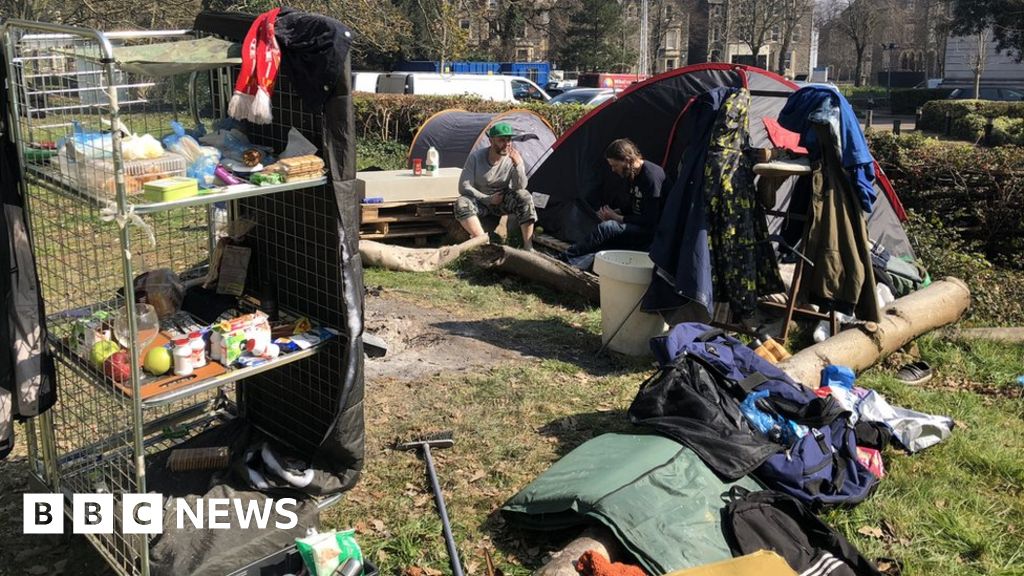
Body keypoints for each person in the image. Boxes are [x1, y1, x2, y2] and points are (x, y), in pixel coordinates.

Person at [563, 139, 665, 269]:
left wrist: (618, 218)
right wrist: (616, 212)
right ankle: (576, 261)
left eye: (614, 165)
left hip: (652, 232)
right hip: (637, 224)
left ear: (627, 160)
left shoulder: (651, 177)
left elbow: (651, 219)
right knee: (604, 228)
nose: (613, 170)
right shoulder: (632, 174)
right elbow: (635, 205)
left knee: (608, 227)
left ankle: (565, 257)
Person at [454, 122, 537, 250]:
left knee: (524, 196)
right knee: (461, 202)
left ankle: (528, 246)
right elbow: (464, 186)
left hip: (501, 202)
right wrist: (487, 198)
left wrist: (519, 166)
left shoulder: (512, 158)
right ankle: (483, 243)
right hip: (480, 202)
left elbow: (519, 187)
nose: (507, 144)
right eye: (501, 140)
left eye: (509, 140)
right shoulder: (476, 157)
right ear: (491, 141)